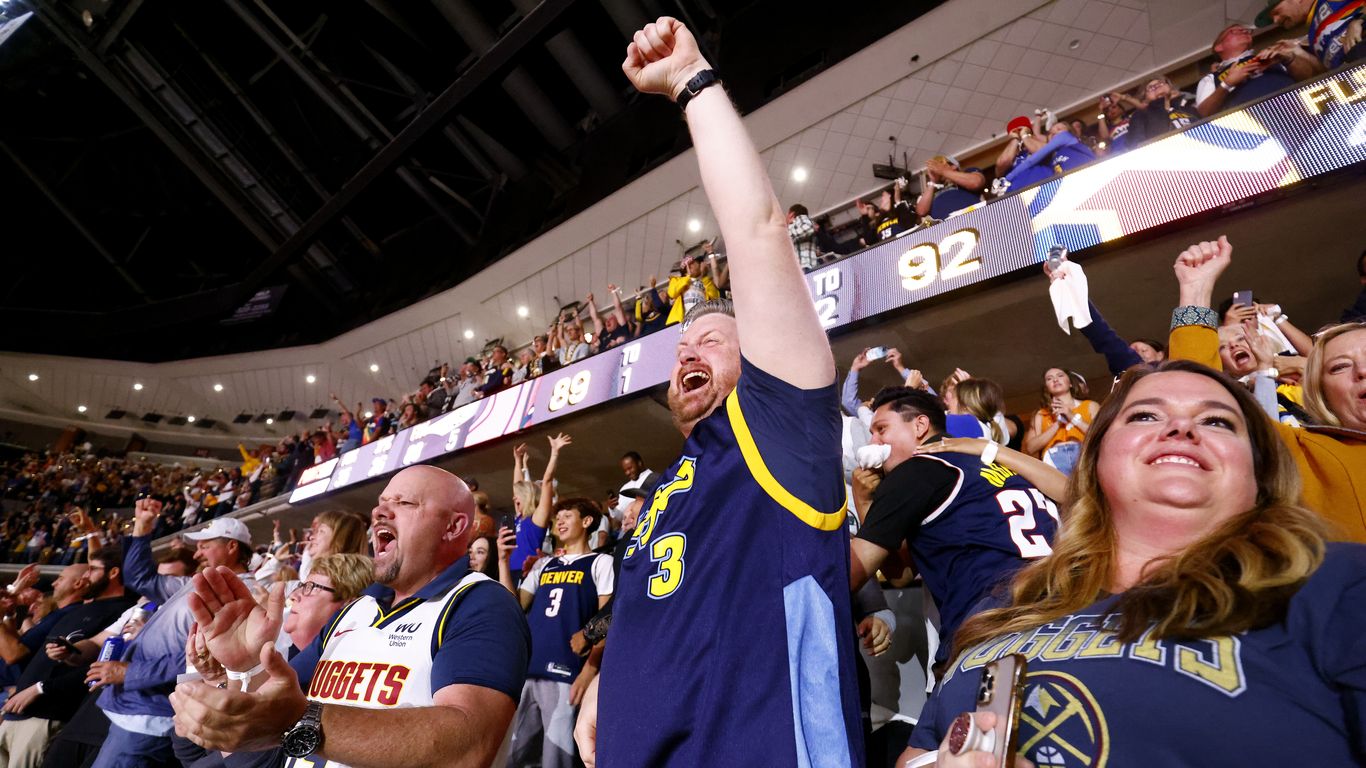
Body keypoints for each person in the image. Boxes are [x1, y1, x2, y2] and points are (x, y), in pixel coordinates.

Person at [575, 17, 863, 768]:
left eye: (711, 341)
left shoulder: (776, 430)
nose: (687, 352)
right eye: (680, 347)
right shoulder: (676, 477)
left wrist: (690, 84)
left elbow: (760, 232)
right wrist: (612, 677)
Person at [899, 360, 1365, 767]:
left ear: (1260, 472)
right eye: (1144, 415)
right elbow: (919, 754)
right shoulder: (1008, 602)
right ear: (1096, 458)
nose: (1182, 429)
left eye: (1218, 422)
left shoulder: (1340, 586)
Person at [168, 465, 530, 768]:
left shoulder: (481, 603)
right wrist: (243, 667)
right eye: (381, 503)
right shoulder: (358, 609)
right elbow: (268, 714)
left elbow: (468, 745)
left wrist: (298, 720)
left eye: (403, 502)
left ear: (453, 528)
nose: (379, 512)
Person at [847, 388, 1060, 676]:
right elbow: (902, 573)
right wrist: (864, 502)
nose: (873, 441)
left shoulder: (914, 470)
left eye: (881, 429)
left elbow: (853, 572)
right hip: (1060, 614)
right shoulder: (1002, 464)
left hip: (992, 628)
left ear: (920, 426)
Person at [1165, 237, 1366, 541]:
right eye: (1339, 367)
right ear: (1320, 393)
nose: (1363, 371)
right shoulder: (1304, 455)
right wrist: (1196, 292)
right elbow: (1196, 398)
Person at [0, 550, 134, 768]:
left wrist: (41, 688)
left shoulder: (123, 609)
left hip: (47, 715)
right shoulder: (81, 609)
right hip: (18, 711)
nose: (86, 576)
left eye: (92, 570)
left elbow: (98, 665)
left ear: (113, 573)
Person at [507, 499, 613, 768]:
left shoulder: (601, 562)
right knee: (516, 758)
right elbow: (514, 607)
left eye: (567, 516)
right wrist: (502, 560)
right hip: (529, 670)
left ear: (587, 522)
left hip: (567, 672)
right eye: (558, 518)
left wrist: (589, 672)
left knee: (557, 760)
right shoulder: (544, 565)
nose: (560, 522)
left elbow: (608, 620)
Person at [1021, 368, 1100, 474]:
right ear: (1046, 388)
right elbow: (1030, 448)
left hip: (1084, 455)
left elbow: (1100, 435)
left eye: (1060, 375)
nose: (1055, 380)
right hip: (1053, 459)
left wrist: (1071, 416)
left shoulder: (1090, 405)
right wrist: (1057, 423)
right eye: (1049, 378)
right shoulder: (1041, 414)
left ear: (1070, 384)